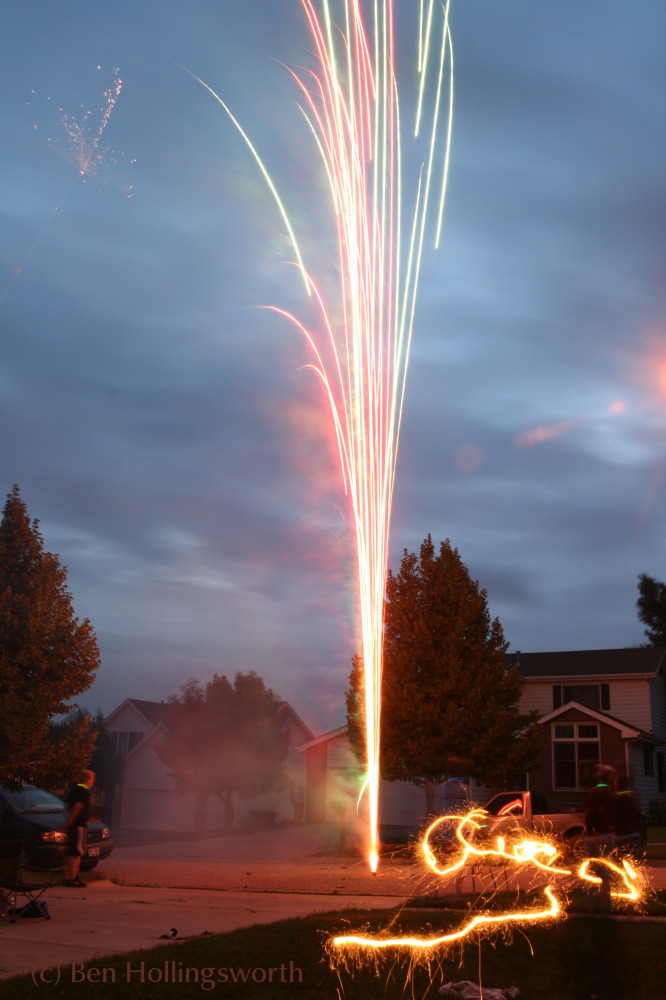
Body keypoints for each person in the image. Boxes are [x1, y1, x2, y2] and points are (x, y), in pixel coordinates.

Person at [61, 769, 95, 887]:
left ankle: (67, 877)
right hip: (78, 826)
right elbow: (77, 807)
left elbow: (65, 807)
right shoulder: (84, 792)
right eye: (92, 779)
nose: (92, 782)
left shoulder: (73, 791)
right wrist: (71, 822)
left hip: (74, 825)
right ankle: (73, 878)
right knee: (76, 852)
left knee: (71, 851)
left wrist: (67, 821)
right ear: (88, 779)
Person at [614, 774, 644, 857]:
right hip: (634, 834)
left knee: (620, 860)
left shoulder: (618, 800)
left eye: (615, 784)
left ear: (618, 785)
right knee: (631, 859)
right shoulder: (632, 799)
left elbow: (615, 818)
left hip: (623, 835)